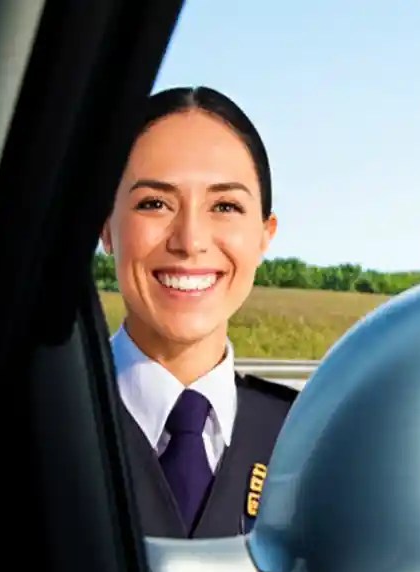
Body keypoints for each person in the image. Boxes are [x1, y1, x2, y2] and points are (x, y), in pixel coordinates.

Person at [100, 85, 299, 539]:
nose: (190, 240)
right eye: (154, 203)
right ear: (106, 228)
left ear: (265, 235)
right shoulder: (23, 425)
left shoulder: (309, 443)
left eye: (225, 206)